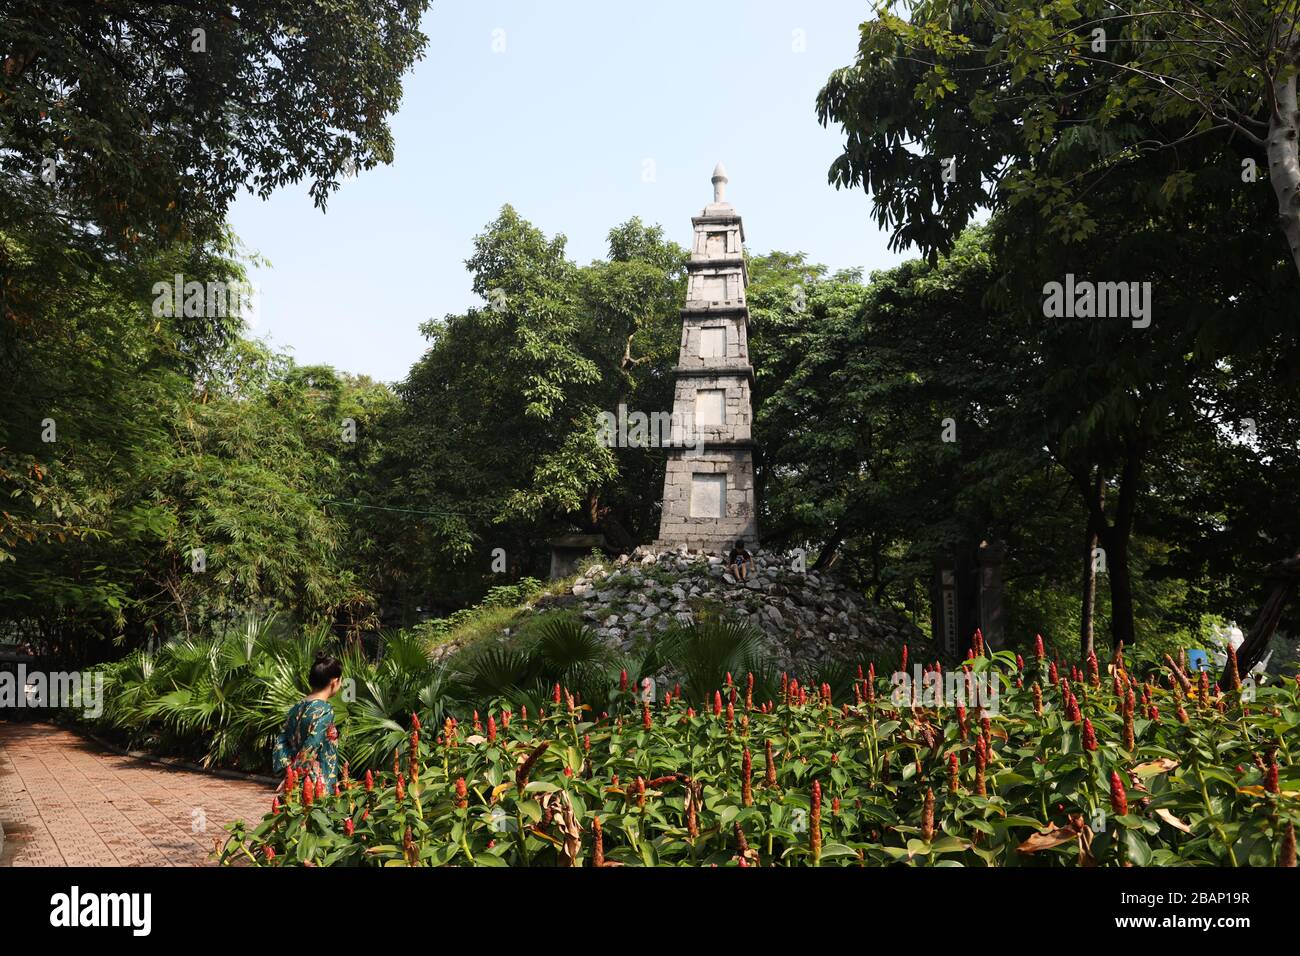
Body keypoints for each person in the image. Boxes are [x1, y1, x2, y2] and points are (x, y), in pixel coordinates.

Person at [273, 651, 343, 792]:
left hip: (296, 780)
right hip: (316, 784)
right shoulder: (325, 710)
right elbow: (312, 745)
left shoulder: (296, 708)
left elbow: (280, 741)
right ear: (334, 682)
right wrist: (292, 778)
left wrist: (289, 772)